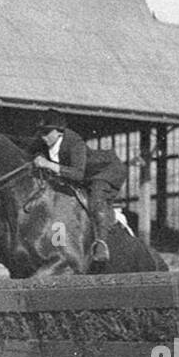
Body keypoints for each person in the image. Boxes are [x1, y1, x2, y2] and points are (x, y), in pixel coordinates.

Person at [28, 109, 126, 263]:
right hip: (82, 176)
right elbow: (25, 150)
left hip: (104, 172)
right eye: (41, 132)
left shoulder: (75, 142)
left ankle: (101, 245)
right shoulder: (44, 140)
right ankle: (56, 244)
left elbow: (78, 174)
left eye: (47, 132)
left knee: (96, 199)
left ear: (59, 131)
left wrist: (48, 164)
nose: (43, 137)